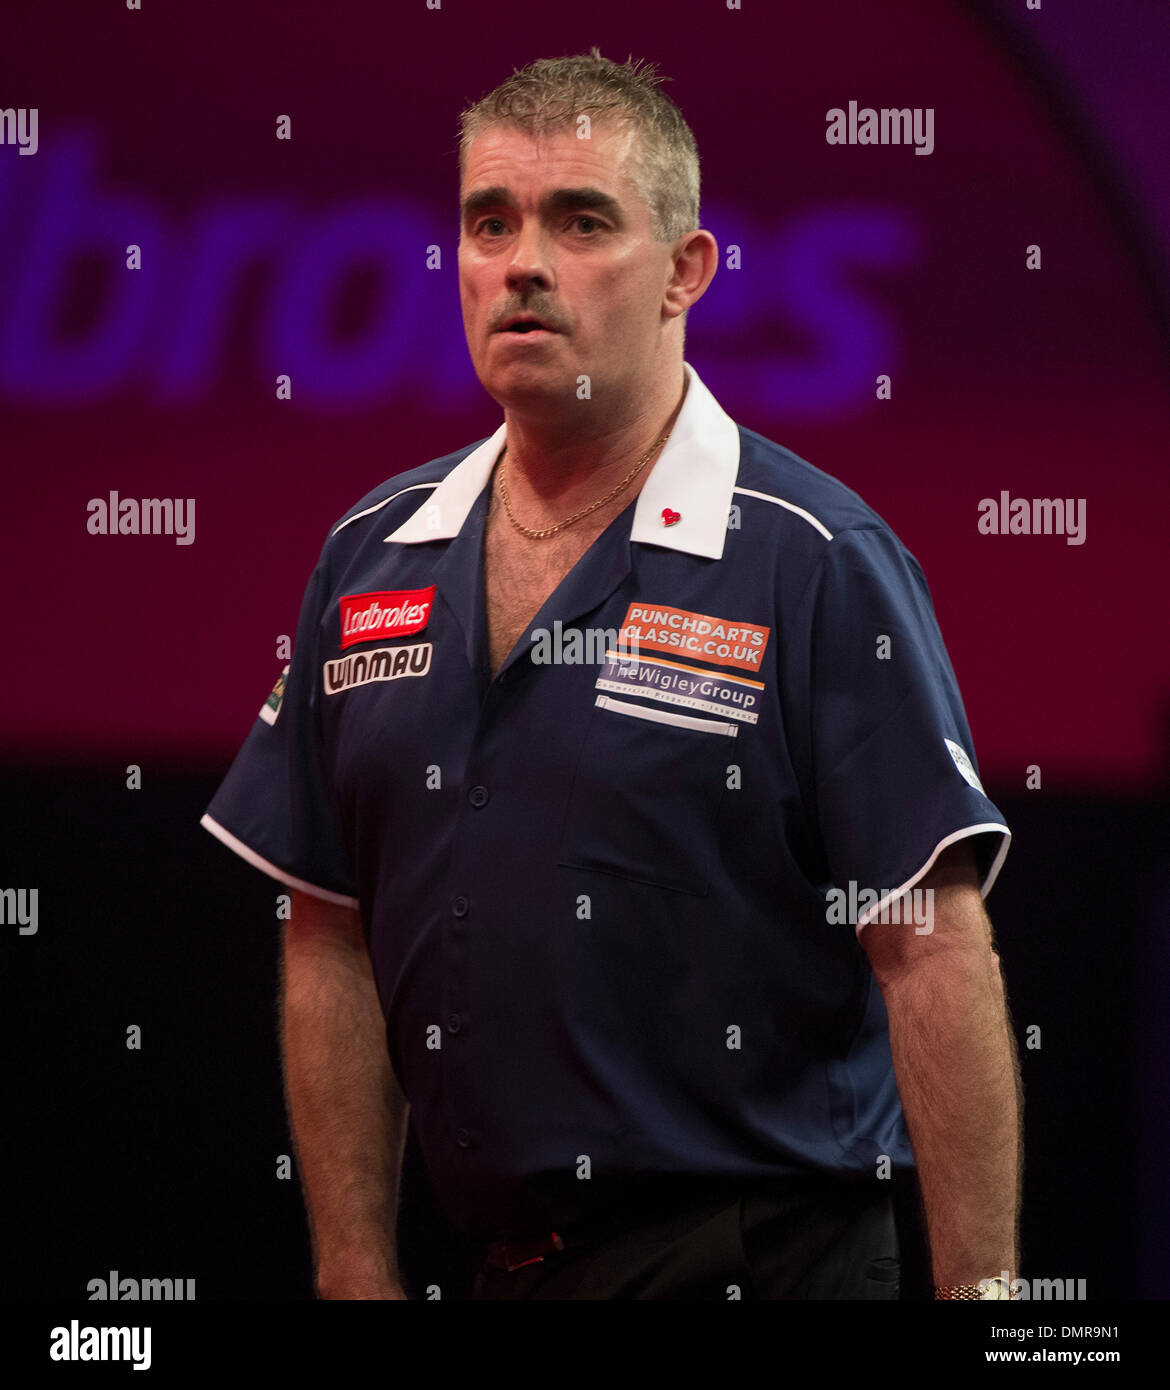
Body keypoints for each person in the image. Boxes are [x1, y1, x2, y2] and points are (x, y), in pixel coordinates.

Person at [201, 49, 1021, 1301]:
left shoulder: (813, 560)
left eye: (580, 220)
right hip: (504, 1269)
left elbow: (934, 943)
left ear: (685, 273)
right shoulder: (369, 558)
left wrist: (992, 1310)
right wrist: (354, 1271)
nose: (522, 261)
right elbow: (328, 930)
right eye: (490, 222)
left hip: (769, 1261)